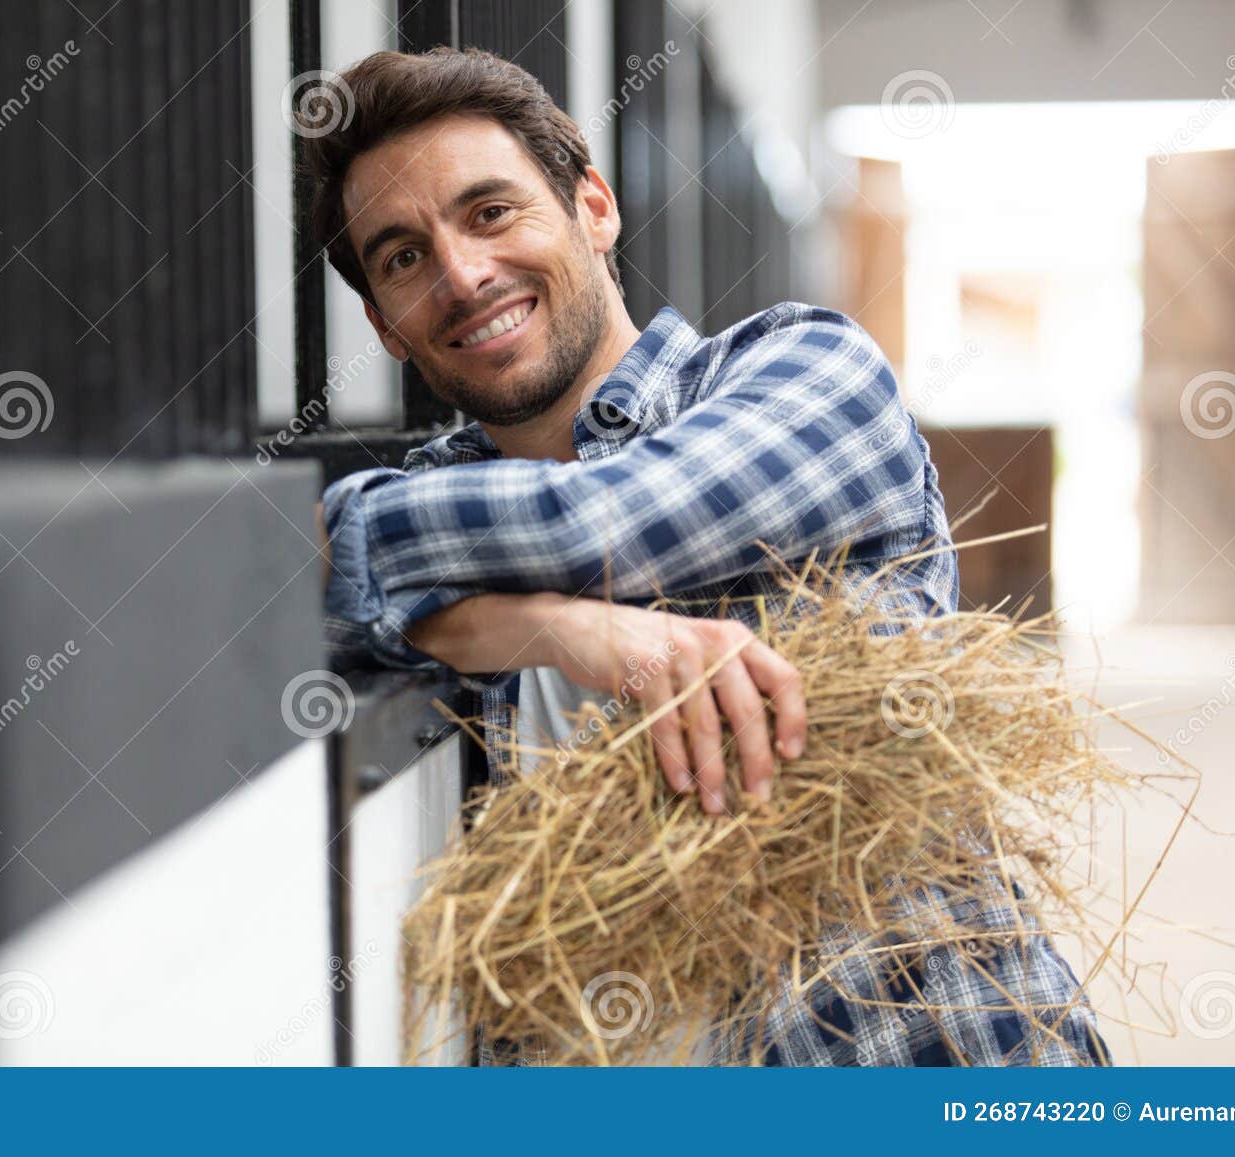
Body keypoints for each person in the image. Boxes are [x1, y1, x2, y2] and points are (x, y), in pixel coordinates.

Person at [306, 46, 1106, 1067]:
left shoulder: (809, 372)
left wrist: (389, 562)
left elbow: (594, 525)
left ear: (592, 206)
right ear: (383, 326)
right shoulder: (439, 505)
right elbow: (269, 598)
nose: (461, 273)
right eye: (403, 256)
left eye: (490, 211)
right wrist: (561, 629)